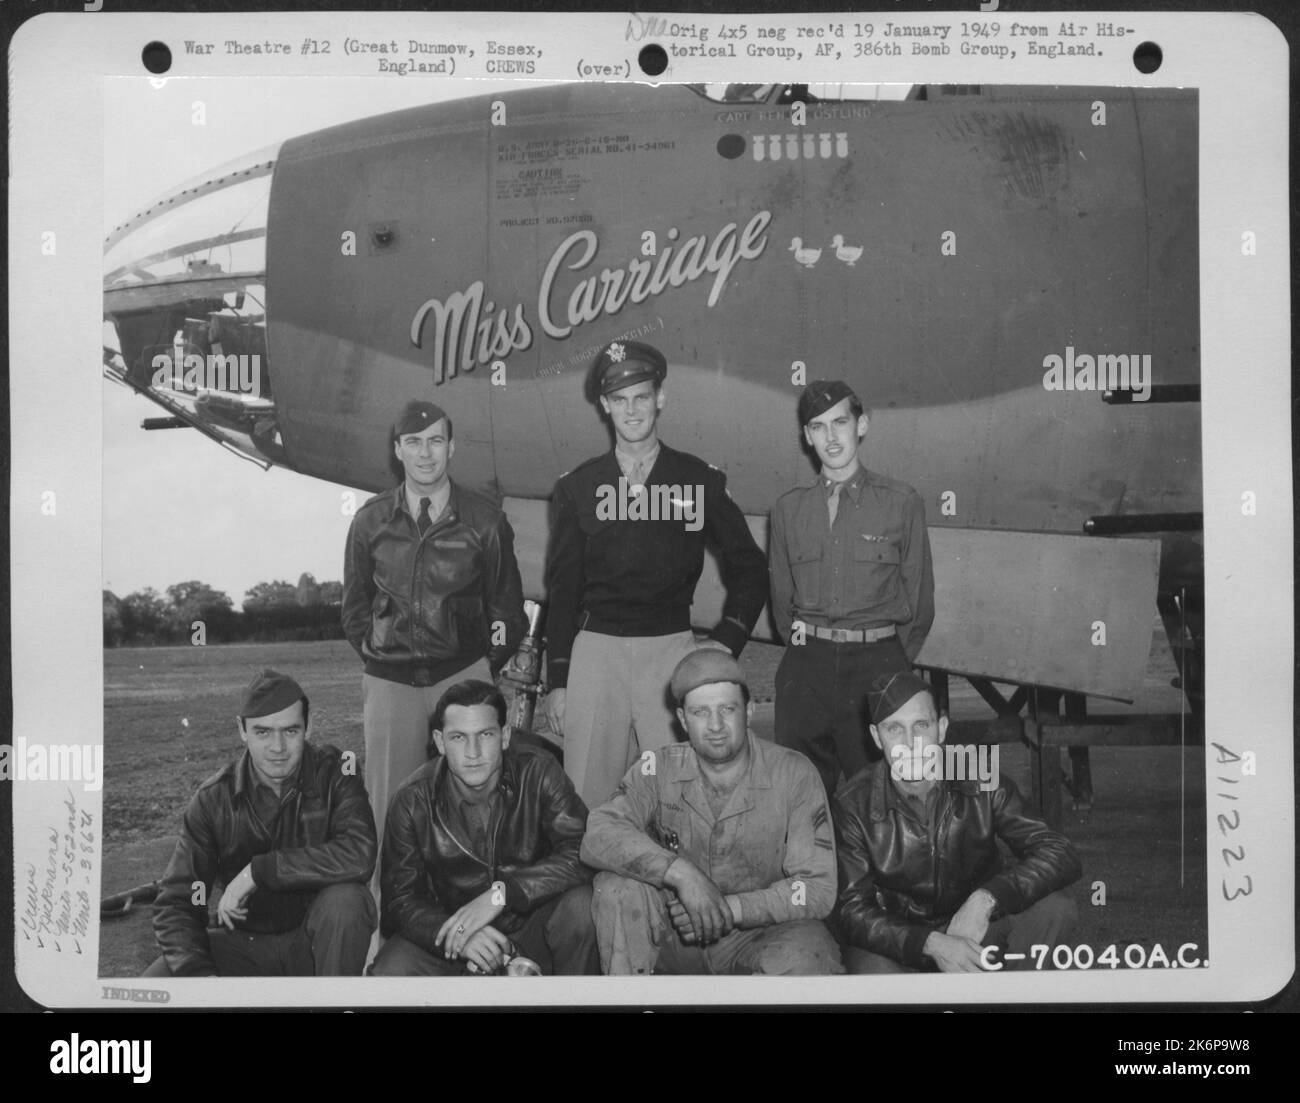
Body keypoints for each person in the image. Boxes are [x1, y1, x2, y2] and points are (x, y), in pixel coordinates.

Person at [543, 340, 768, 808]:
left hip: (670, 655)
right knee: (586, 799)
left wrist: (726, 641)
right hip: (596, 657)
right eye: (620, 400)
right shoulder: (577, 488)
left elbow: (749, 565)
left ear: (660, 398)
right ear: (604, 406)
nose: (632, 410)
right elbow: (562, 591)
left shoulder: (697, 480)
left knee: (682, 798)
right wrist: (560, 681)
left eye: (642, 396)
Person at [581, 650, 843, 976]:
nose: (716, 725)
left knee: (811, 953)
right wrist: (680, 874)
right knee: (616, 888)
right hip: (675, 934)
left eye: (727, 709)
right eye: (701, 712)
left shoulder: (794, 773)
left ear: (749, 712)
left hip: (757, 935)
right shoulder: (656, 768)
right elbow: (599, 832)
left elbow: (815, 889)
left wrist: (729, 909)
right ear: (682, 719)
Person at [342, 400, 527, 854]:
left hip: (461, 676)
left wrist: (480, 666)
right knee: (389, 807)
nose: (425, 454)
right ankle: (384, 921)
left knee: (475, 799)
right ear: (398, 450)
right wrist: (380, 653)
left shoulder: (485, 521)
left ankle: (476, 912)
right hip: (391, 682)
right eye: (414, 443)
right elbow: (354, 608)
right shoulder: (370, 521)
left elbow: (509, 613)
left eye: (436, 442)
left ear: (452, 447)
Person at [834, 671, 1081, 973]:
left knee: (1055, 909)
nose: (909, 743)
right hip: (903, 944)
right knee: (870, 969)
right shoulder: (853, 803)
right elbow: (851, 909)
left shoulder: (978, 777)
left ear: (941, 728)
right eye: (894, 729)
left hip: (976, 929)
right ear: (876, 737)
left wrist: (986, 899)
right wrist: (930, 943)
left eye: (921, 726)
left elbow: (1058, 851)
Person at [146, 670, 377, 977]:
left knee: (347, 901)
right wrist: (201, 979)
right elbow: (178, 901)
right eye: (263, 732)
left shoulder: (338, 773)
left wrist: (259, 871)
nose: (278, 747)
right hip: (243, 945)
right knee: (160, 980)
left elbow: (359, 854)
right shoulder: (213, 798)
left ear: (309, 728)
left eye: (291, 731)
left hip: (314, 944)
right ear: (242, 730)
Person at [769, 378, 936, 799]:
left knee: (882, 797)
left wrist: (889, 662)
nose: (831, 436)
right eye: (819, 426)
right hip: (807, 666)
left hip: (877, 665)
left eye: (840, 422)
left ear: (862, 426)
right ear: (807, 436)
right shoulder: (788, 510)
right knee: (801, 799)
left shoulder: (901, 502)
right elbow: (781, 605)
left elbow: (919, 603)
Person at [372, 680, 597, 976]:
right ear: (439, 742)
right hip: (454, 936)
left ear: (504, 736)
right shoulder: (411, 800)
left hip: (529, 928)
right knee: (392, 969)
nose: (473, 751)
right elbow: (399, 901)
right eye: (458, 738)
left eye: (485, 734)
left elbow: (583, 849)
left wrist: (503, 893)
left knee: (582, 908)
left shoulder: (539, 771)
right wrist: (460, 934)